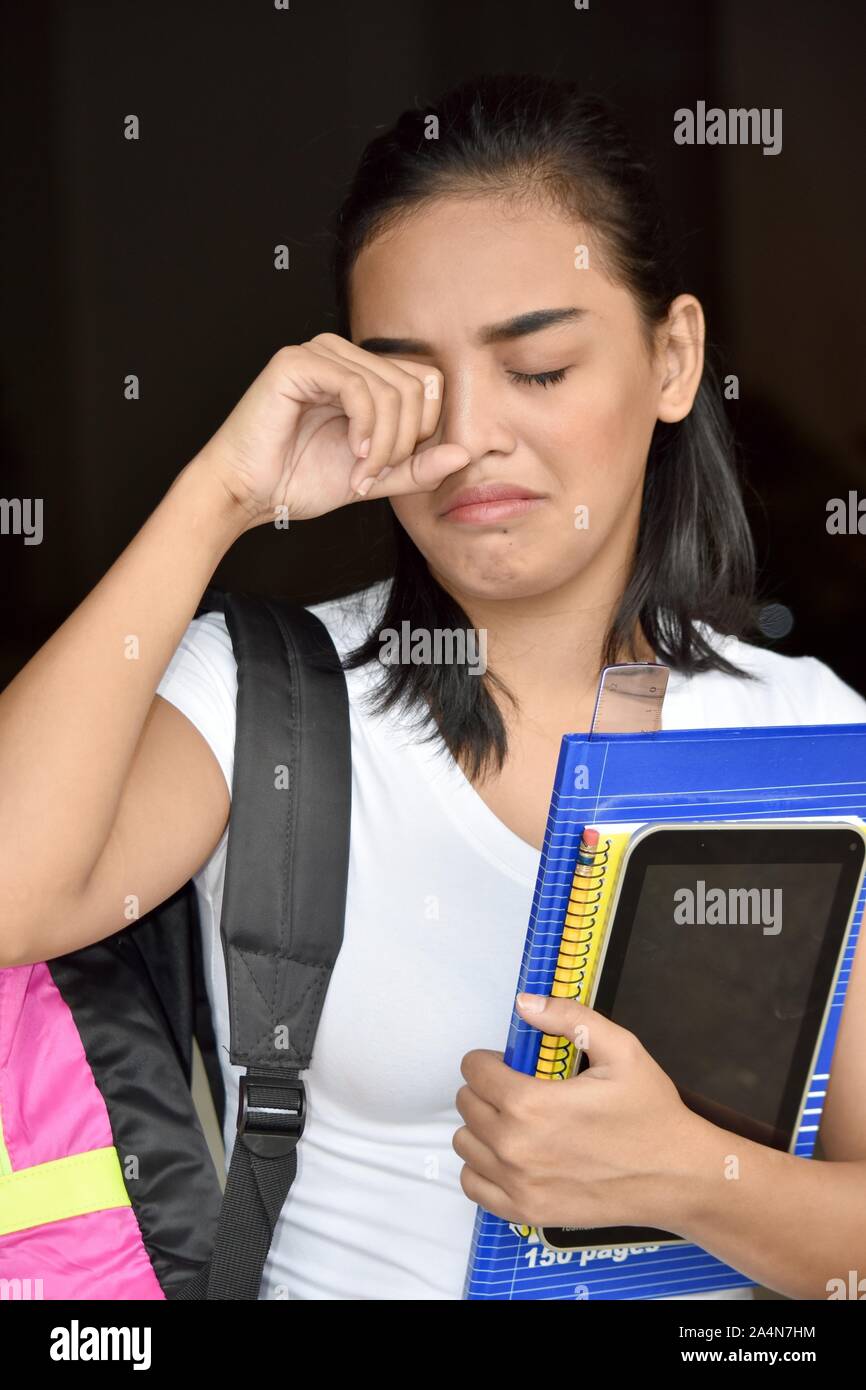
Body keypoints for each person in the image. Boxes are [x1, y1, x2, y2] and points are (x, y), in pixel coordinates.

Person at [2, 73, 865, 1302]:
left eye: (540, 369)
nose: (469, 440)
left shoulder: (805, 734)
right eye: (412, 380)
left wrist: (685, 1177)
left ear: (672, 360)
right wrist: (223, 494)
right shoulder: (267, 699)